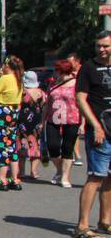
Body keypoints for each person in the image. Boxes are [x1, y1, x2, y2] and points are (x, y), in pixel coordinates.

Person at [73, 31, 111, 238]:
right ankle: (82, 226)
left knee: (110, 176)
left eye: (105, 46)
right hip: (99, 131)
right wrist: (95, 125)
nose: (102, 49)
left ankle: (105, 221)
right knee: (96, 176)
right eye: (99, 46)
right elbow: (80, 99)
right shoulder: (88, 68)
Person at [0, 55, 24, 190]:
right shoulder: (19, 79)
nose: (2, 67)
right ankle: (15, 179)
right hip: (14, 112)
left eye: (4, 64)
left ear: (9, 66)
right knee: (11, 145)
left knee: (1, 144)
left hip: (2, 112)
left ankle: (1, 179)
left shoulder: (5, 78)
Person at [44, 58, 80, 188]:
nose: (54, 73)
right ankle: (60, 169)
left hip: (72, 119)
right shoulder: (53, 84)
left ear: (62, 71)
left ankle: (65, 176)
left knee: (67, 148)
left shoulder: (77, 84)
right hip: (53, 119)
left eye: (57, 70)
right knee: (52, 147)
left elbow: (82, 103)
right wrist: (42, 121)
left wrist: (82, 124)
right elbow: (47, 104)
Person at [18, 70, 47, 180]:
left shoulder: (22, 93)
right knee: (36, 146)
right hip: (37, 122)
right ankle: (34, 172)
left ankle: (21, 171)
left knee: (22, 146)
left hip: (22, 123)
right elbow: (45, 107)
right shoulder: (42, 93)